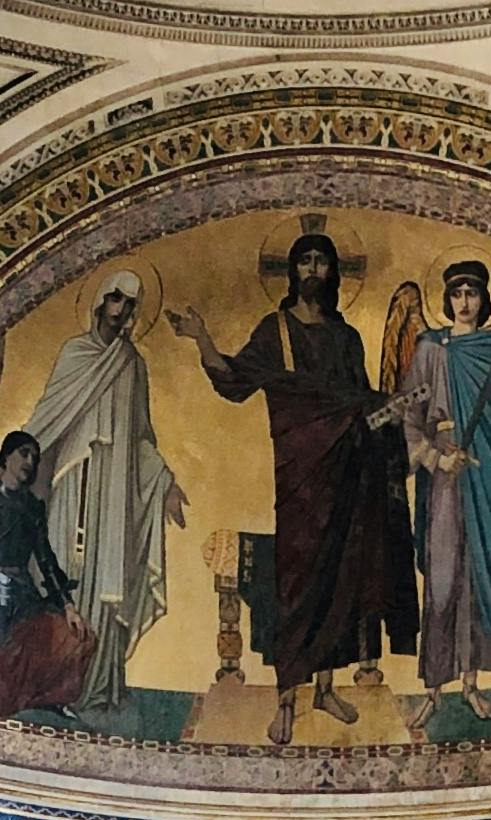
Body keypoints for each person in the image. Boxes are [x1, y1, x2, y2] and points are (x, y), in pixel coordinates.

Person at [170, 230, 418, 749]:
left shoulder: (346, 338)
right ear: (292, 272)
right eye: (304, 261)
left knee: (342, 582)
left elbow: (359, 403)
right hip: (301, 478)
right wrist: (202, 338)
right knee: (297, 586)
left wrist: (391, 412)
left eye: (321, 262)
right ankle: (287, 700)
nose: (312, 270)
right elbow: (235, 380)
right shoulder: (275, 330)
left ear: (333, 273)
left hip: (347, 474)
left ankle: (324, 690)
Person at [389, 260, 491, 727]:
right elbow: (407, 413)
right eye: (457, 294)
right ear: (447, 300)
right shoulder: (430, 348)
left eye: (473, 293)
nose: (465, 302)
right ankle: (433, 690)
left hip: (489, 476)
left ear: (484, 299)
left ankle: (470, 684)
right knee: (442, 581)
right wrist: (433, 457)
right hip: (445, 477)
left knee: (479, 582)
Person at [24, 271, 186, 711]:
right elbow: (47, 418)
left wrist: (165, 482)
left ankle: (95, 689)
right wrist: (12, 467)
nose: (122, 309)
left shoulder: (132, 365)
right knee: (60, 573)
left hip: (112, 497)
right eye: (116, 298)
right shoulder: (74, 353)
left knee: (104, 583)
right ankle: (51, 685)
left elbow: (141, 438)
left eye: (130, 303)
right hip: (70, 487)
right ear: (99, 301)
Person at [0, 419, 93, 718]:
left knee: (76, 637)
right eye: (24, 453)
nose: (30, 461)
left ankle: (47, 698)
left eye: (34, 457)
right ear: (6, 455)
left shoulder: (32, 506)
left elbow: (45, 559)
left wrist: (68, 605)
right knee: (0, 678)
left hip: (26, 594)